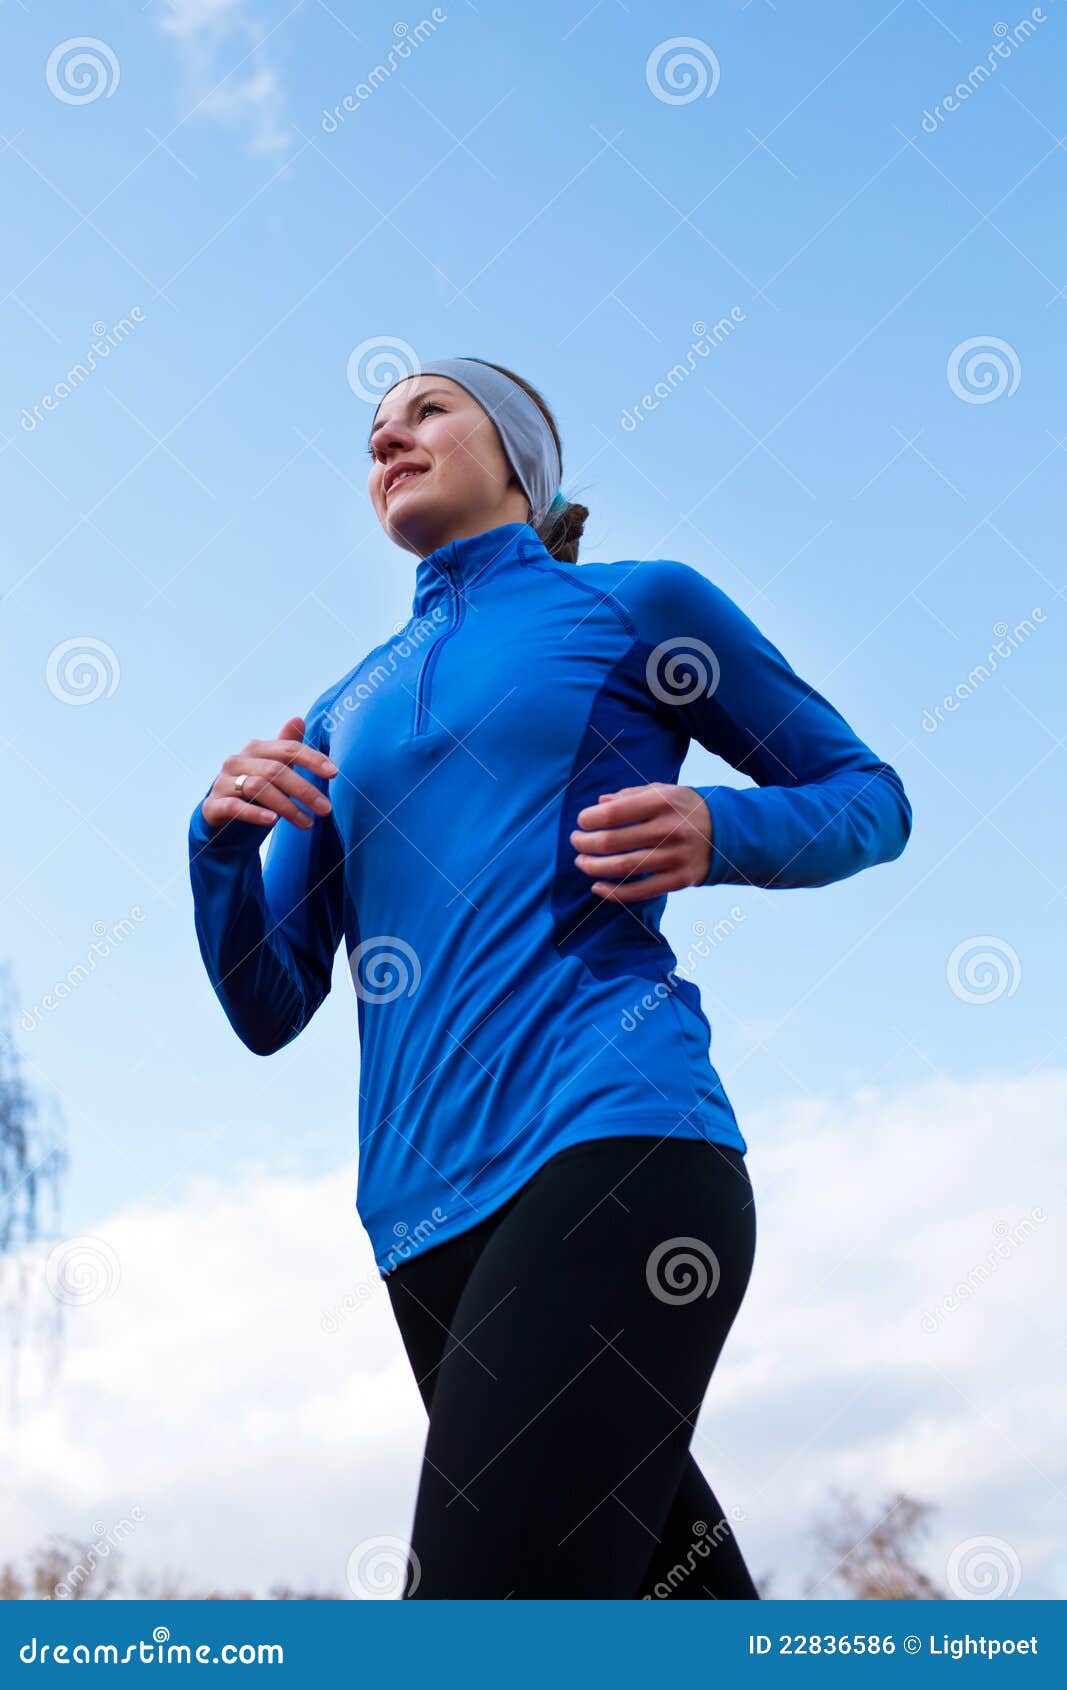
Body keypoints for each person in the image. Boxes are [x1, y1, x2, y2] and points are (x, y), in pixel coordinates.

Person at [187, 356, 913, 1598]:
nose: (389, 442)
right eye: (374, 432)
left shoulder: (638, 605)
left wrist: (716, 828)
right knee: (663, 1615)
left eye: (426, 412)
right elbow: (269, 1003)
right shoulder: (339, 709)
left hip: (614, 1144)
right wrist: (213, 850)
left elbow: (867, 799)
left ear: (519, 460)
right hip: (419, 1231)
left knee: (474, 1618)